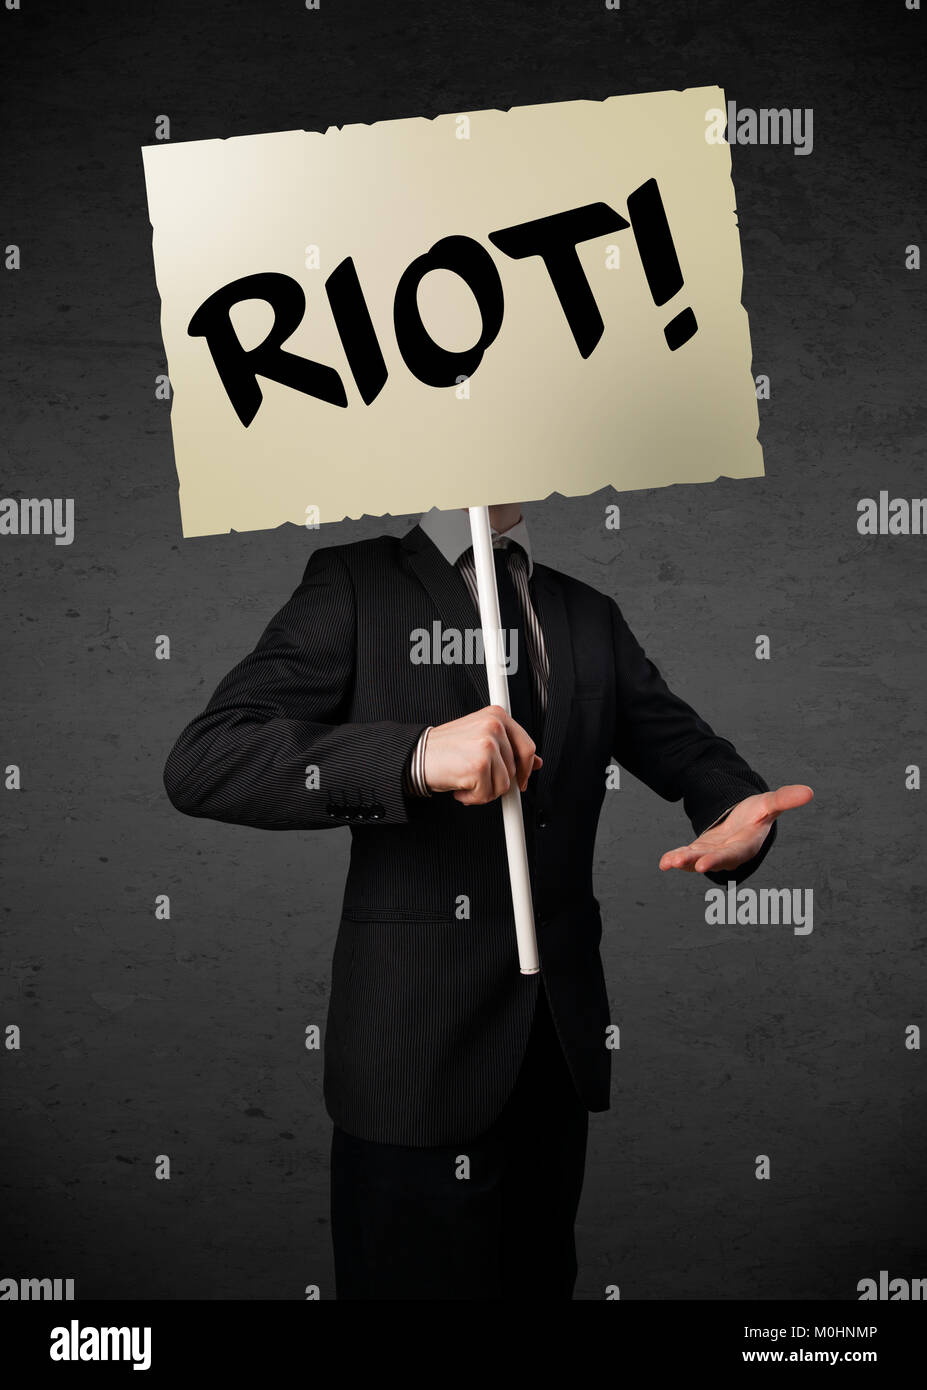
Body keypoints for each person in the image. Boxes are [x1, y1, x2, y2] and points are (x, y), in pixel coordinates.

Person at [162, 502, 813, 1300]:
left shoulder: (585, 613)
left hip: (553, 1054)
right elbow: (208, 760)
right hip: (413, 1057)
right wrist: (416, 755)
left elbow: (688, 752)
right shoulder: (356, 584)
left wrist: (732, 815)